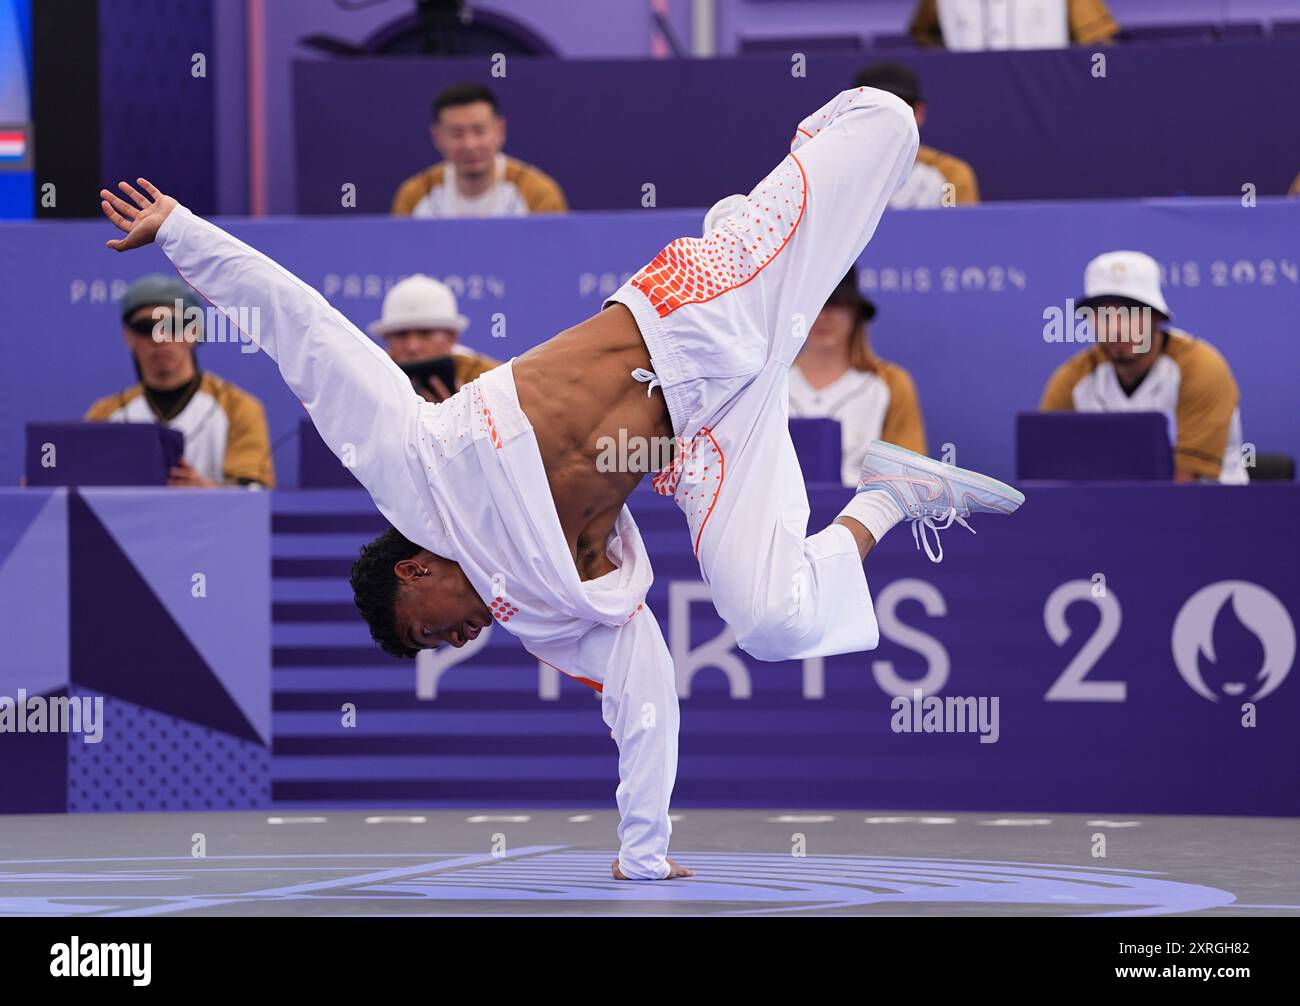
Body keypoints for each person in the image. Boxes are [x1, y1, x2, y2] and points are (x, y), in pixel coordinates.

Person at [99, 87, 1024, 882]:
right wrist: (644, 851)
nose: (459, 639)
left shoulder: (410, 465)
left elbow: (307, 333)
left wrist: (182, 234)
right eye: (444, 649)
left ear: (413, 572)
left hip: (696, 318)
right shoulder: (534, 608)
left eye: (433, 631)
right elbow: (645, 693)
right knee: (776, 622)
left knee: (890, 124)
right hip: (707, 434)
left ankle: (766, 192)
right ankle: (893, 497)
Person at [1040, 250, 1248, 483]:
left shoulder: (1201, 368)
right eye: (1104, 316)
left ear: (1157, 317)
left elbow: (1185, 484)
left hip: (1214, 510)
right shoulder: (1071, 380)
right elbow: (1049, 470)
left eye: (1130, 314)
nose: (1117, 328)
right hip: (1112, 512)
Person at [84, 274, 275, 488]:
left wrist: (206, 490)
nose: (160, 338)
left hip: (210, 521)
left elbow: (257, 492)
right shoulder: (104, 416)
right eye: (146, 327)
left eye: (172, 326)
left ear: (194, 332)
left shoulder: (237, 408)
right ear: (128, 337)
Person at [790, 268, 927, 486]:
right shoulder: (769, 382)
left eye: (835, 304)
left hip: (862, 516)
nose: (823, 316)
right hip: (777, 517)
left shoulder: (890, 383)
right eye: (814, 303)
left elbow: (909, 481)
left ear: (855, 313)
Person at [390, 82, 567, 219]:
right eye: (457, 134)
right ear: (437, 137)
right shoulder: (414, 195)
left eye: (479, 131)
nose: (470, 145)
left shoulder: (537, 192)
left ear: (500, 130)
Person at [852, 62, 978, 208]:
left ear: (919, 112)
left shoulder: (950, 177)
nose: (885, 120)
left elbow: (960, 229)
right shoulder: (832, 173)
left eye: (899, 108)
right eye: (874, 109)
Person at [369, 274, 498, 402]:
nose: (412, 346)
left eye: (425, 333)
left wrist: (467, 416)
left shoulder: (490, 380)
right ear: (387, 339)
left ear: (451, 337)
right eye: (401, 334)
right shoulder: (368, 379)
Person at [908, 0, 1118, 50]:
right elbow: (925, 38)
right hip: (972, 100)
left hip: (1045, 100)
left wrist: (1095, 82)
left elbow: (1099, 46)